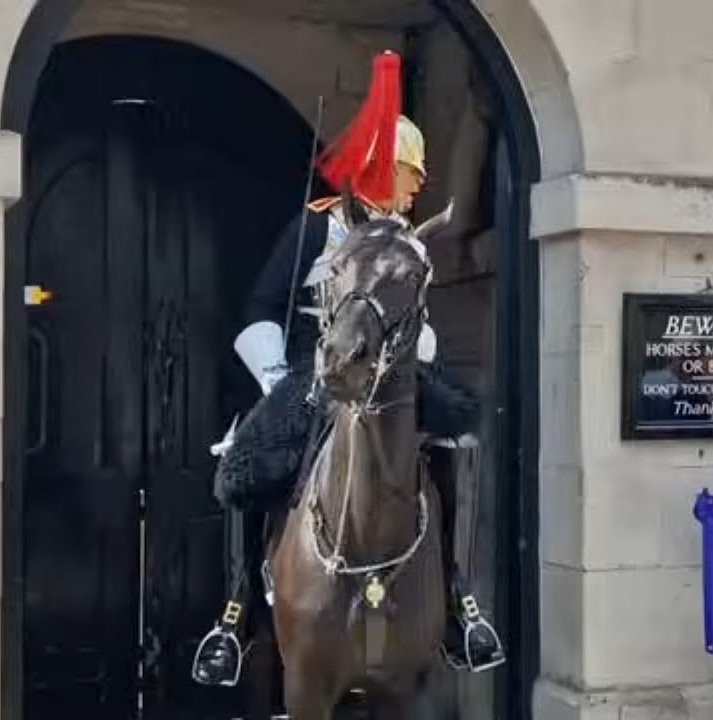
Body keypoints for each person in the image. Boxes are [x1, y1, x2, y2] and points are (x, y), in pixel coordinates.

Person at [191, 50, 504, 687]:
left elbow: (418, 317)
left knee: (456, 442)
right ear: (381, 169)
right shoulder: (316, 229)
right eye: (411, 172)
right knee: (247, 462)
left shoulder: (408, 240)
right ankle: (235, 614)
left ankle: (455, 601)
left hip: (395, 372)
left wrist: (418, 352)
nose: (418, 186)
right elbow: (260, 305)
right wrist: (275, 377)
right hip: (317, 372)